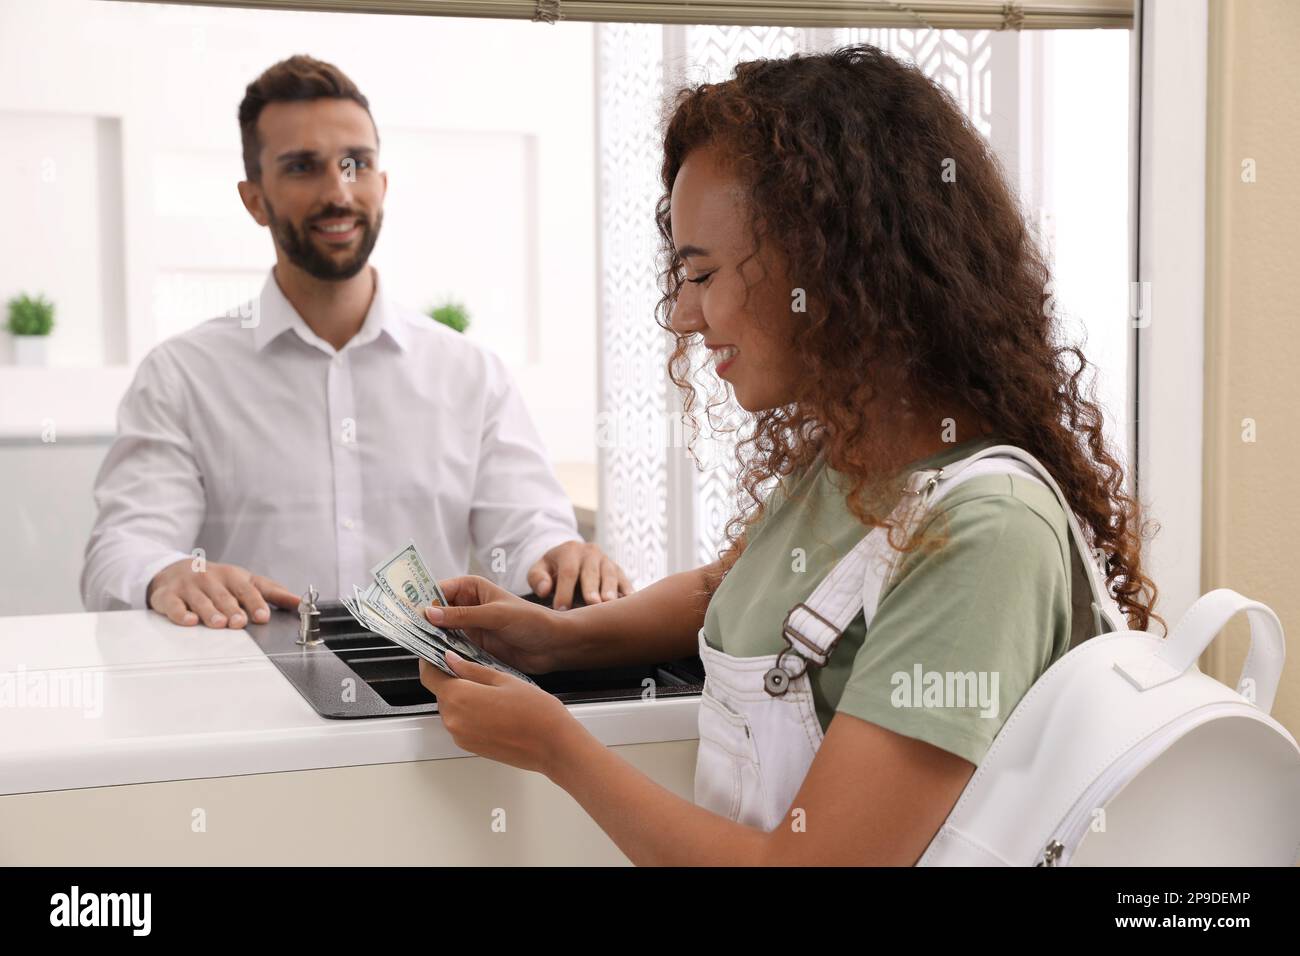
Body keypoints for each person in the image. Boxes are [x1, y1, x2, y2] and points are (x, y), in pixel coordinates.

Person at [415, 44, 1161, 865]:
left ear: (828, 263)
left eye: (701, 275)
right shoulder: (849, 459)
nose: (683, 319)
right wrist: (557, 639)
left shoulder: (983, 537)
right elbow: (733, 590)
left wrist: (559, 749)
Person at [81, 55, 630, 628]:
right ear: (255, 200)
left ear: (382, 184)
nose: (337, 193)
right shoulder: (181, 376)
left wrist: (561, 560)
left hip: (433, 703)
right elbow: (121, 552)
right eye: (301, 167)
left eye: (356, 164)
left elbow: (527, 535)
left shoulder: (470, 374)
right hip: (249, 701)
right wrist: (166, 572)